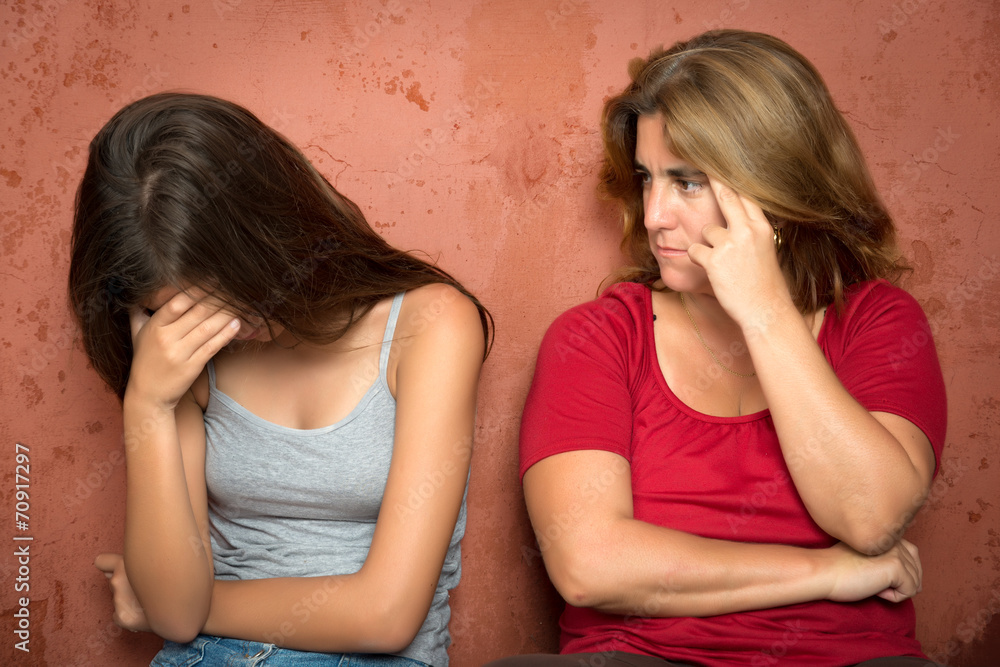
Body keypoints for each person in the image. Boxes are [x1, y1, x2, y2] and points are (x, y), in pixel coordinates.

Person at [496, 30, 947, 667]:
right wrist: (825, 574)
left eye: (688, 182)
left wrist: (763, 312)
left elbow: (872, 518)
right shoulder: (597, 337)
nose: (653, 214)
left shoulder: (878, 323)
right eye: (648, 178)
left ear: (775, 185)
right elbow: (588, 565)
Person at [68, 92, 491, 667]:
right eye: (183, 314)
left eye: (234, 292)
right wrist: (146, 404)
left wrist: (189, 608)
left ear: (271, 231)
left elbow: (386, 617)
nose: (230, 328)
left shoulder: (431, 324)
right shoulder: (182, 365)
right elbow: (174, 615)